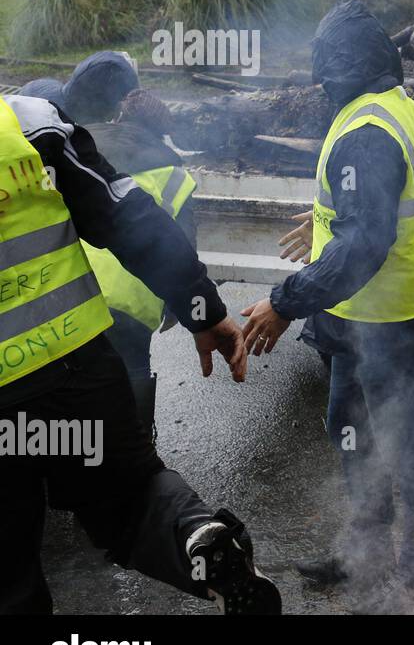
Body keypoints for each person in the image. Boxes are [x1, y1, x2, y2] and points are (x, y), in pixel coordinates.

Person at [0, 93, 277, 614]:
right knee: (129, 497)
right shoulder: (27, 122)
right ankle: (200, 541)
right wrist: (202, 309)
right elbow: (127, 218)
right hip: (74, 369)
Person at [240, 0, 414, 614]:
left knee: (412, 452)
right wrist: (327, 226)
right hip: (363, 321)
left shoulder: (366, 131)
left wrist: (284, 303)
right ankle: (362, 554)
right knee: (351, 433)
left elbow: (368, 240)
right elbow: (373, 214)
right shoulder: (404, 109)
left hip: (394, 324)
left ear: (335, 70)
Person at [80, 89, 198, 434]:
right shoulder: (175, 176)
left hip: (71, 289)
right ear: (162, 133)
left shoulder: (80, 150)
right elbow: (181, 250)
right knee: (132, 372)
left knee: (70, 375)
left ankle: (69, 451)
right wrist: (180, 307)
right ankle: (137, 448)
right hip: (132, 301)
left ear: (119, 116)